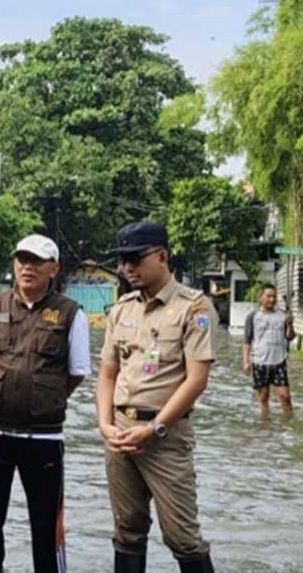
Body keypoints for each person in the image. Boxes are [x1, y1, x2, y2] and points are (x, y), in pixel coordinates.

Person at [97, 220, 216, 573]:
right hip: (120, 432)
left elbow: (196, 380)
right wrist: (104, 424)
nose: (126, 268)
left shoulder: (193, 308)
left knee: (182, 536)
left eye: (135, 259)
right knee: (127, 531)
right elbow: (107, 373)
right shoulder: (122, 309)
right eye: (122, 260)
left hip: (164, 436)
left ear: (162, 256)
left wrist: (155, 428)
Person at [0, 234, 91, 573]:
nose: (27, 267)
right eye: (22, 259)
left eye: (36, 261)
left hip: (43, 438)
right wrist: (1, 395)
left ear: (54, 268)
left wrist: (43, 400)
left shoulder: (70, 313)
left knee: (46, 527)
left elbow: (77, 373)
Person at [242, 283, 295, 415]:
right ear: (261, 297)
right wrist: (246, 361)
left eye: (274, 296)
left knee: (285, 397)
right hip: (260, 362)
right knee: (263, 397)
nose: (272, 299)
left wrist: (290, 325)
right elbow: (247, 340)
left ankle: (287, 422)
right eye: (269, 296)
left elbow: (289, 337)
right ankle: (264, 423)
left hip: (279, 362)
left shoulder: (283, 315)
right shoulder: (253, 316)